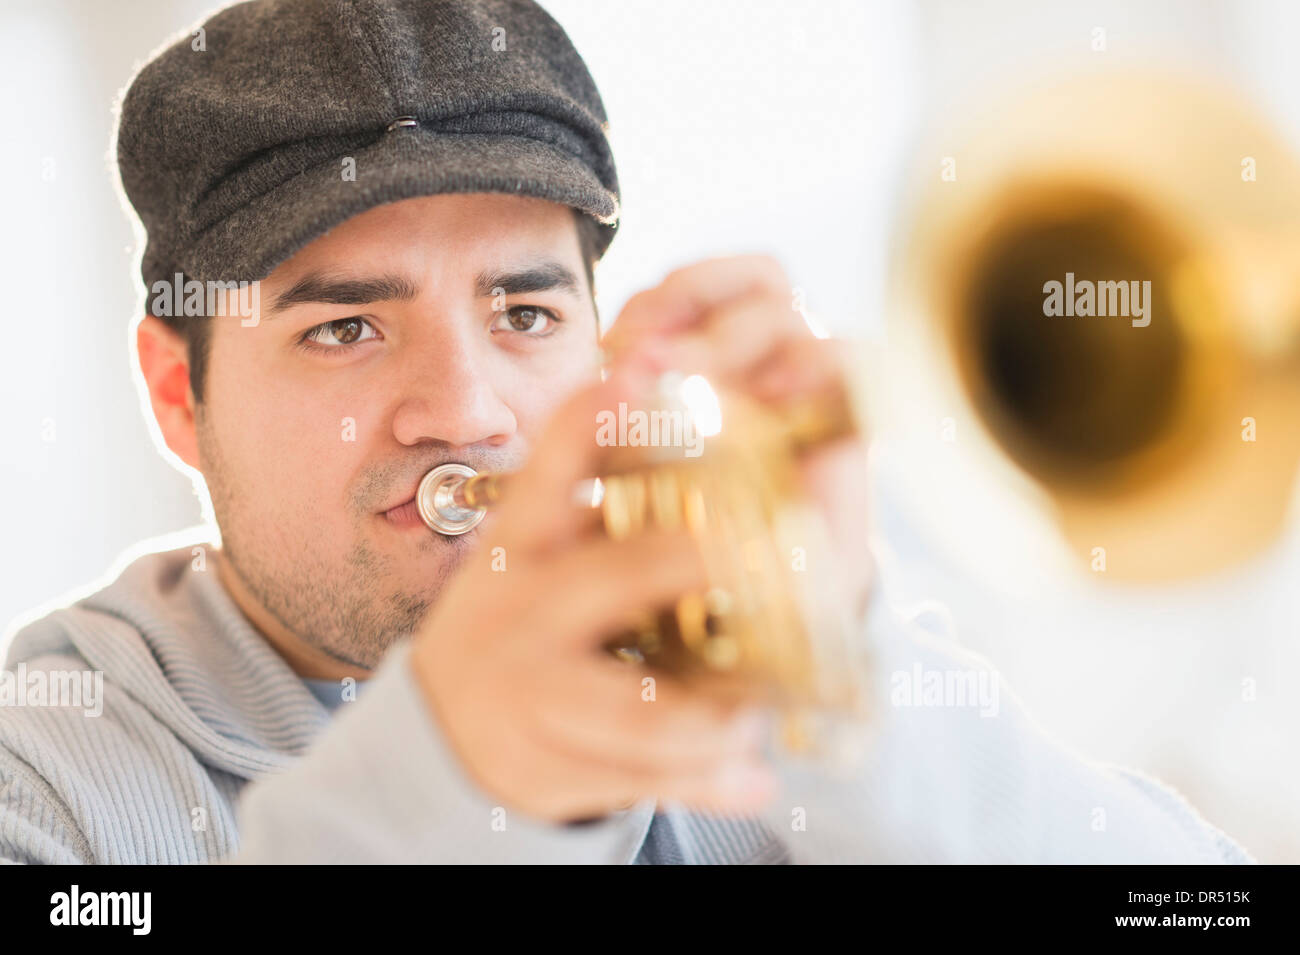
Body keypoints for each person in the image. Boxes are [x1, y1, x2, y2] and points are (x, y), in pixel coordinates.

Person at [0, 0, 1251, 864]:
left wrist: (849, 693)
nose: (471, 412)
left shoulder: (775, 661)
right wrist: (461, 770)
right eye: (345, 329)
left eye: (526, 311)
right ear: (178, 395)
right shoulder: (44, 778)